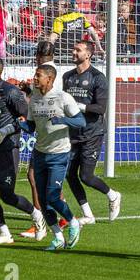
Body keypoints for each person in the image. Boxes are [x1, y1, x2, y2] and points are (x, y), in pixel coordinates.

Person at [0, 54, 47, 245]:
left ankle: (36, 215)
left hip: (8, 149)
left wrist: (6, 131)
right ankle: (4, 233)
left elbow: (26, 119)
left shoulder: (11, 92)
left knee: (7, 195)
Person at [26, 62, 89, 251]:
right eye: (35, 75)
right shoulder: (35, 98)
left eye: (38, 75)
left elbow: (81, 121)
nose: (35, 78)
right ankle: (57, 237)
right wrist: (15, 125)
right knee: (43, 201)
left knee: (53, 197)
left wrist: (63, 119)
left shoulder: (63, 97)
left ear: (50, 78)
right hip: (39, 153)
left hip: (59, 154)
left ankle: (73, 221)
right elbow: (30, 126)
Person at [62, 39, 122, 225]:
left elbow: (101, 108)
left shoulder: (97, 77)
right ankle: (88, 214)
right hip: (73, 133)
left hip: (92, 133)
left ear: (88, 54)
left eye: (77, 50)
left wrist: (78, 106)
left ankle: (113, 195)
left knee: (86, 176)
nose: (73, 52)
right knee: (69, 175)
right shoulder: (67, 77)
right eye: (73, 49)